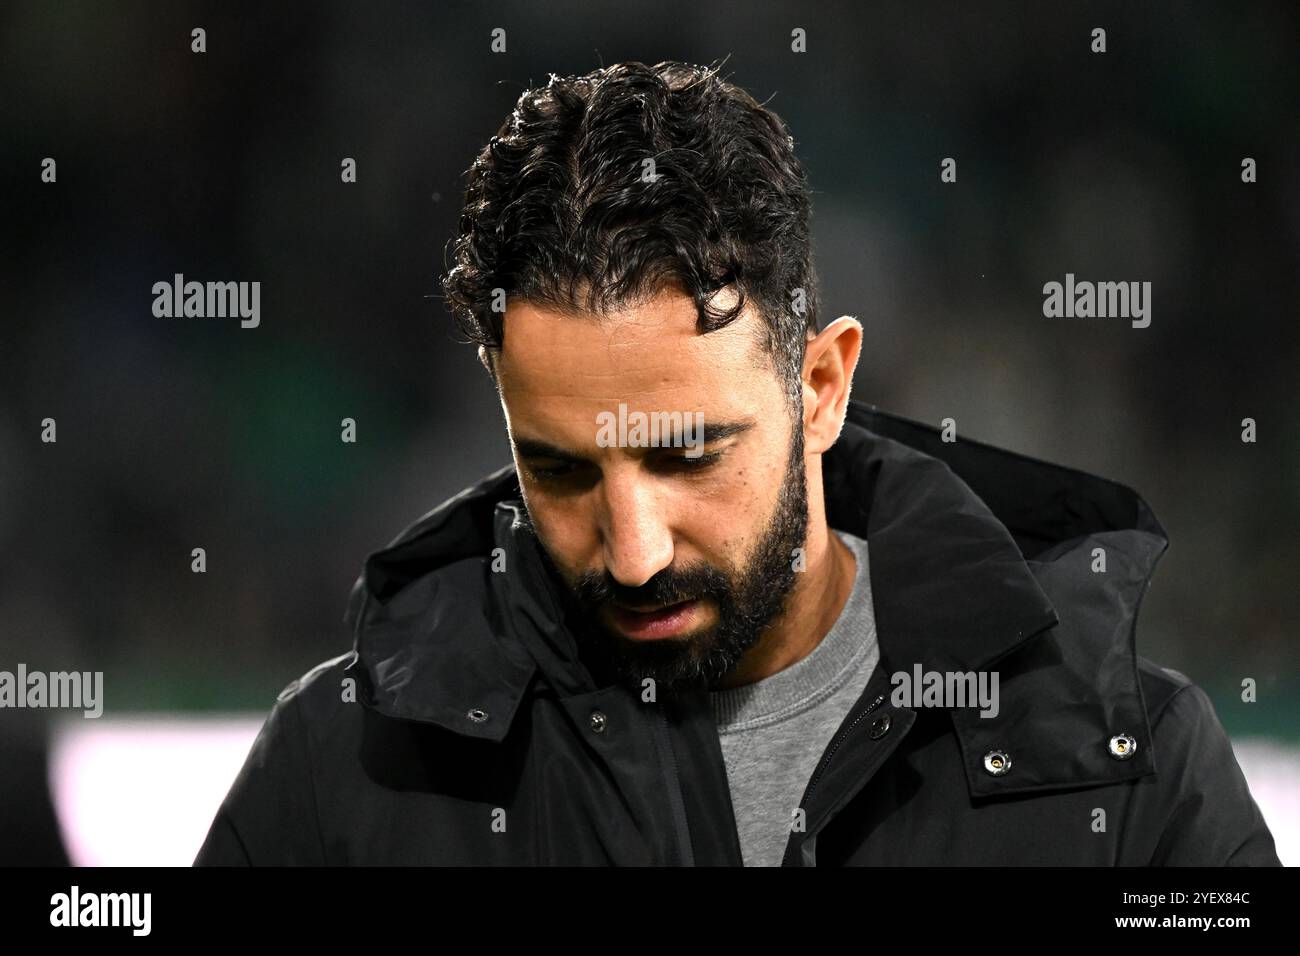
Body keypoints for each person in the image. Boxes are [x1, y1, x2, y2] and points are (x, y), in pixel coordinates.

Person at [194, 60, 1280, 866]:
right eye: (562, 470)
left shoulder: (1133, 768)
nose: (631, 551)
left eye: (686, 455)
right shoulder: (341, 767)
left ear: (820, 387)